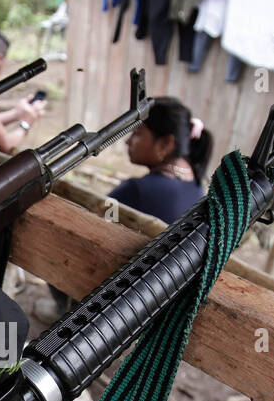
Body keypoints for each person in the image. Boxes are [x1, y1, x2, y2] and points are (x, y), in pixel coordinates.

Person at [34, 96, 213, 322]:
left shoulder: (138, 190)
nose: (128, 141)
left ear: (165, 144)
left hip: (123, 298)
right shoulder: (195, 181)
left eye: (138, 133)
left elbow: (90, 226)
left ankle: (67, 311)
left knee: (62, 237)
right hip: (157, 292)